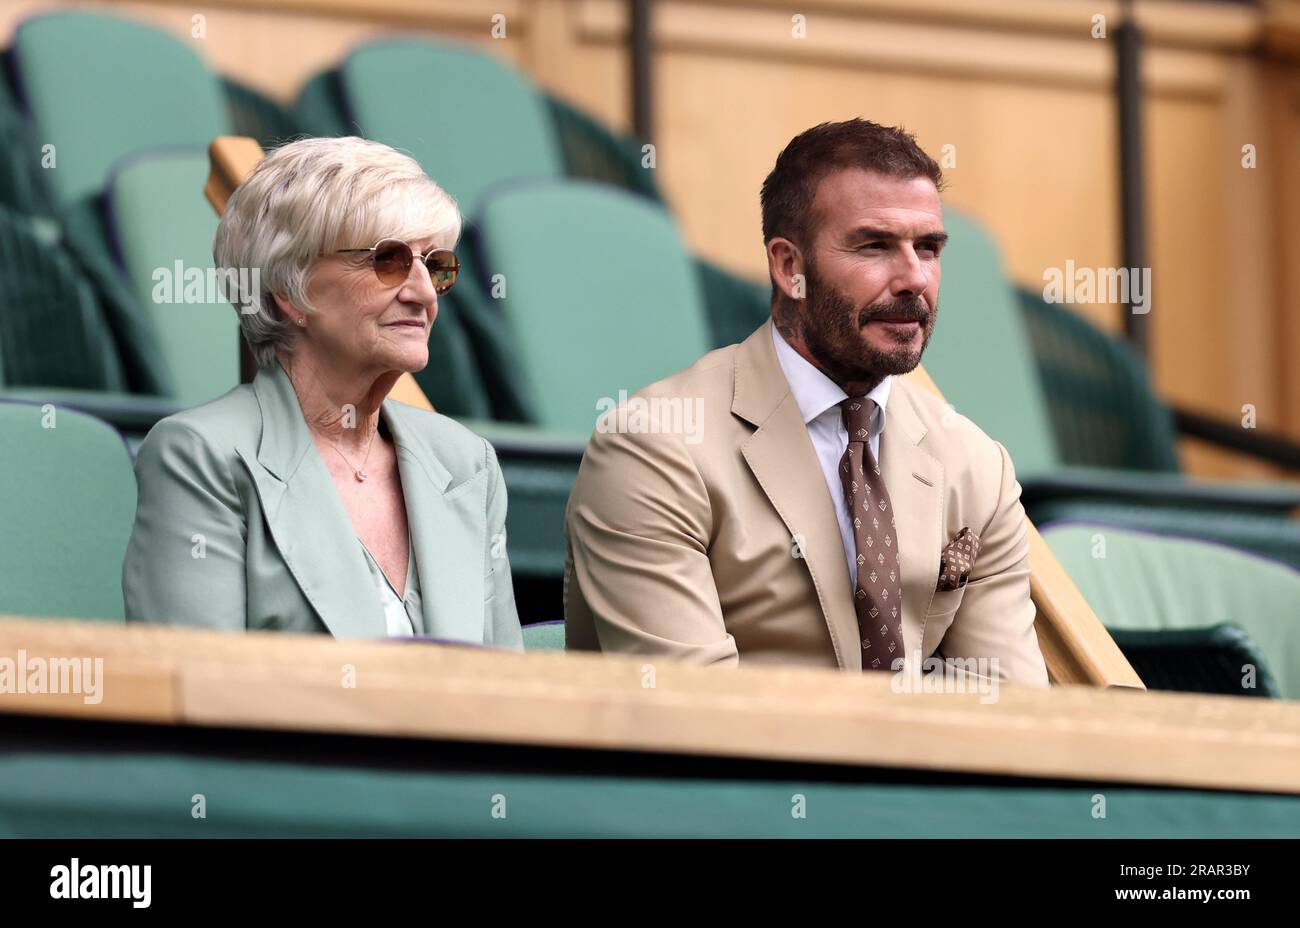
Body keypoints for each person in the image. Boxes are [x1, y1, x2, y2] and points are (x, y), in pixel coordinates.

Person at [564, 119, 1047, 684]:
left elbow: (1012, 714)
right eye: (875, 246)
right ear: (789, 267)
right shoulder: (653, 444)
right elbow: (694, 718)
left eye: (929, 248)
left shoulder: (977, 465)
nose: (914, 278)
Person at [123, 137, 521, 647]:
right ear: (290, 290)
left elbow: (510, 690)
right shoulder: (201, 457)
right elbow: (199, 694)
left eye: (436, 265)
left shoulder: (467, 463)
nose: (424, 292)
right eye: (390, 261)